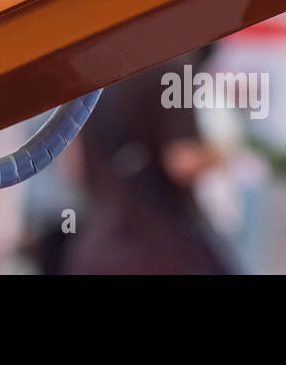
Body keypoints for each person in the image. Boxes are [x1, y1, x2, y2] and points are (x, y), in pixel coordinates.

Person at [63, 54, 234, 274]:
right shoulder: (171, 69)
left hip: (97, 246)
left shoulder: (87, 76)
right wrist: (224, 151)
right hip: (159, 249)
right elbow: (180, 162)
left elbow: (72, 165)